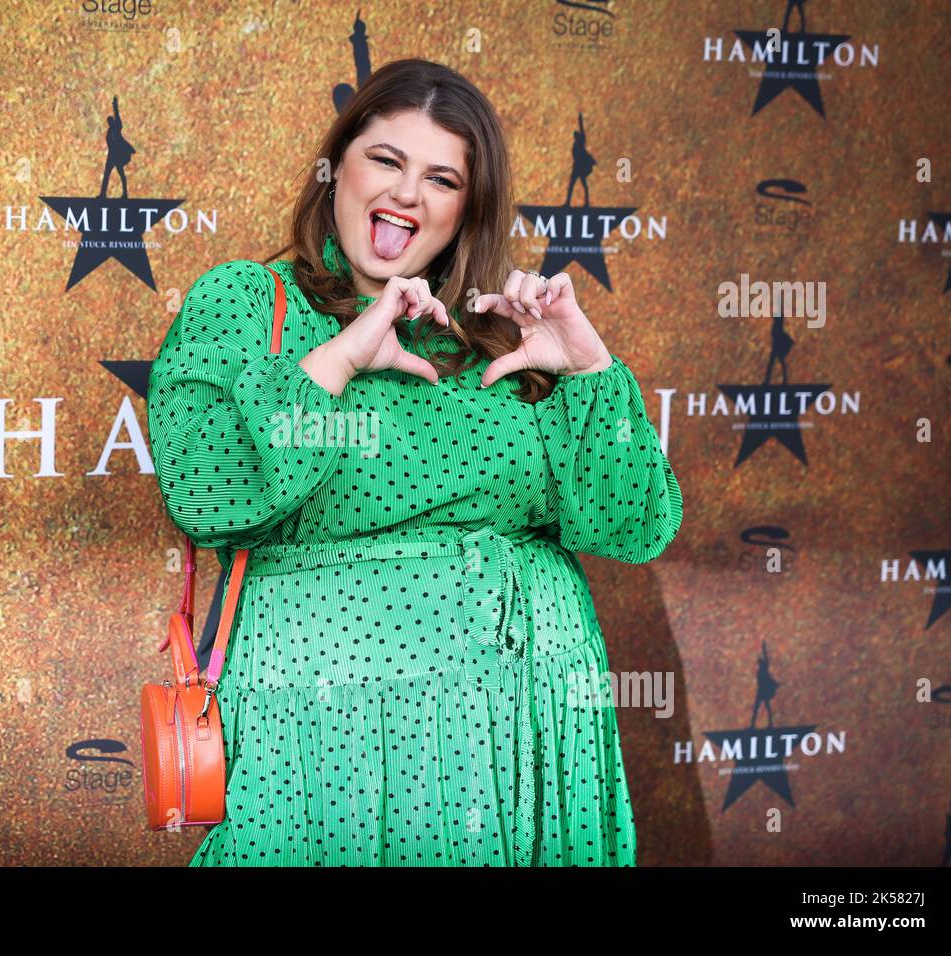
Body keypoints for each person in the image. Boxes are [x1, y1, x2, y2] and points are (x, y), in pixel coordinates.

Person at [146, 58, 683, 866]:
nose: (406, 194)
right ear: (337, 169)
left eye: (442, 178)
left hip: (529, 725)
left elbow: (637, 525)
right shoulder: (249, 303)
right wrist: (340, 360)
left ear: (467, 208)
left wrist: (592, 371)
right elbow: (206, 491)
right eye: (386, 161)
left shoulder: (502, 327)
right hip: (329, 730)